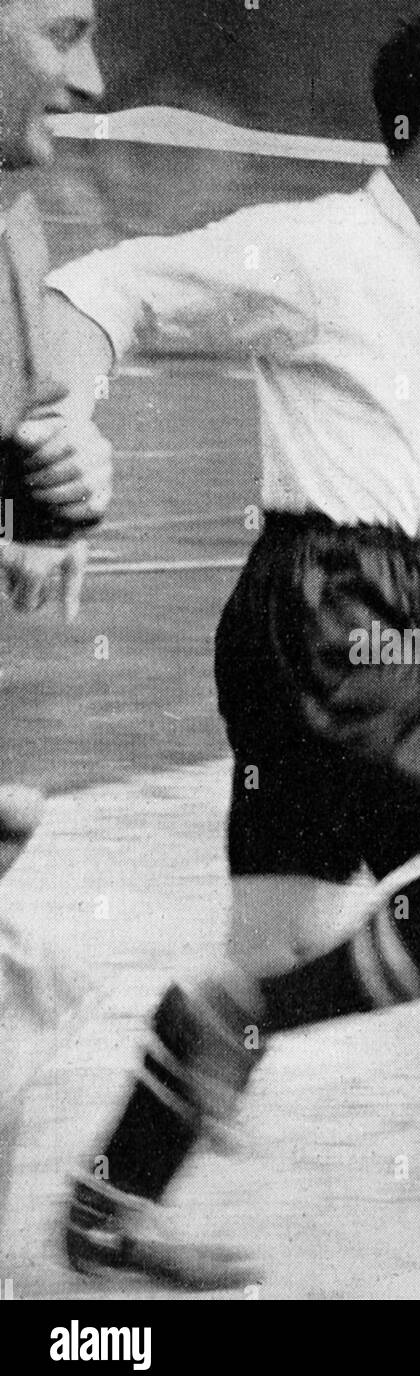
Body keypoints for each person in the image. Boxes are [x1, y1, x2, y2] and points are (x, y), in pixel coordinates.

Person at [37, 8, 420, 1289]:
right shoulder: (318, 247)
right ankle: (235, 1028)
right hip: (319, 615)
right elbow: (100, 286)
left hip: (351, 611)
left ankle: (108, 1206)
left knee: (274, 946)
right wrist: (59, 438)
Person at [0, 0, 111, 1233]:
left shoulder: (16, 233)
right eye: (62, 33)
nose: (90, 78)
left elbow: (34, 437)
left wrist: (56, 495)